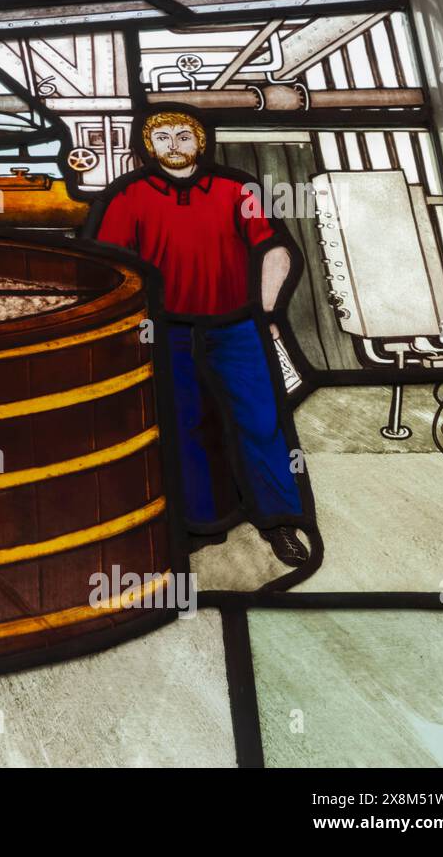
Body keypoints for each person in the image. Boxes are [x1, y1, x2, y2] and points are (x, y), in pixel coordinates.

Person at [87, 109, 310, 566]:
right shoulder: (129, 196)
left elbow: (275, 250)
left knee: (260, 419)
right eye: (163, 137)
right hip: (167, 329)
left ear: (200, 142)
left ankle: (279, 521)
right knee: (181, 425)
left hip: (236, 326)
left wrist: (268, 311)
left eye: (183, 136)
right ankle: (200, 523)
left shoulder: (236, 190)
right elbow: (111, 266)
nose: (173, 145)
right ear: (149, 146)